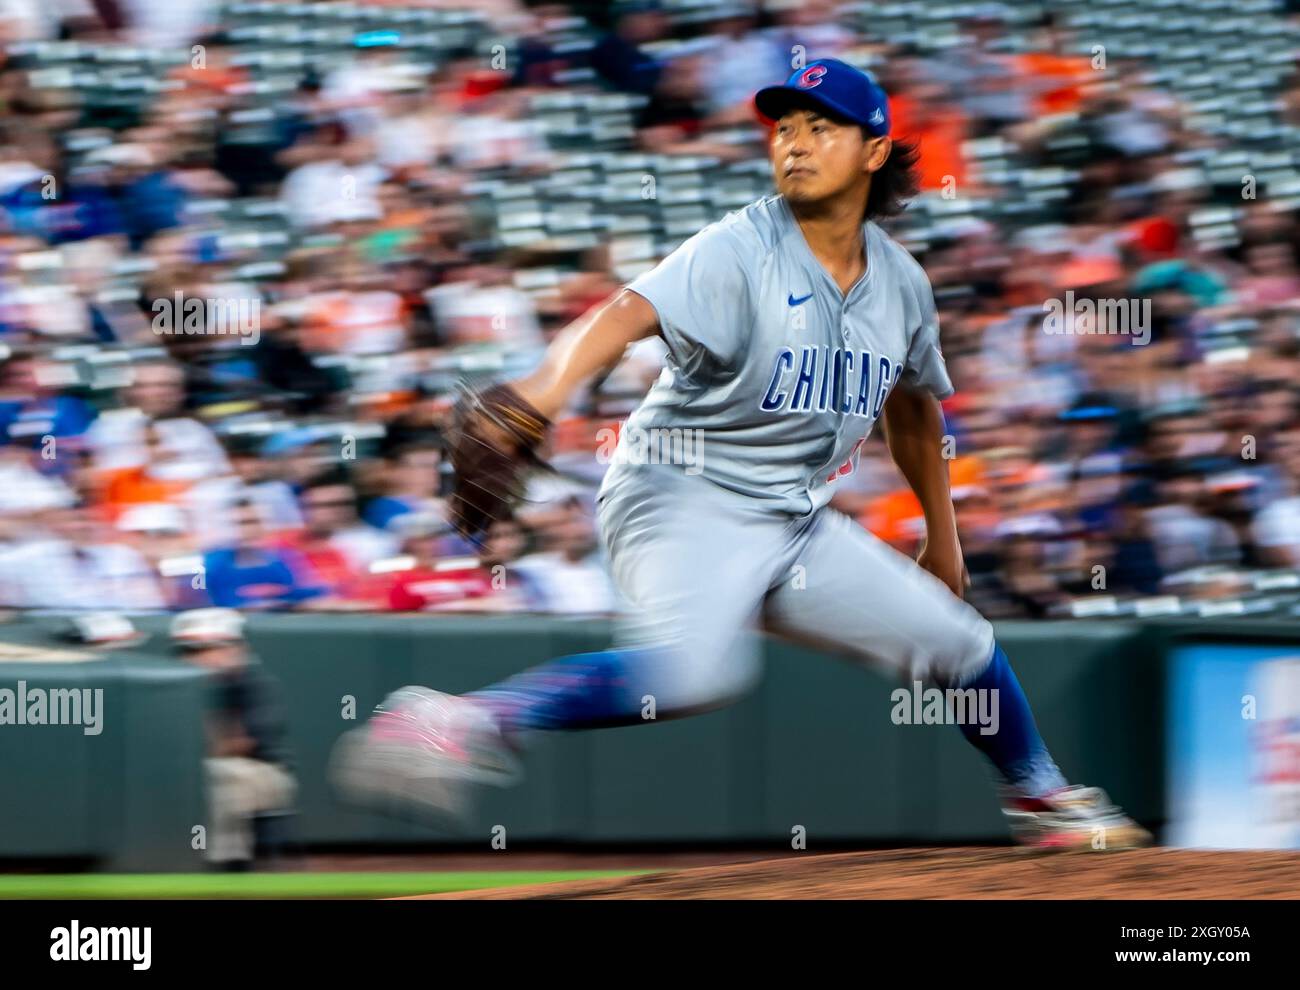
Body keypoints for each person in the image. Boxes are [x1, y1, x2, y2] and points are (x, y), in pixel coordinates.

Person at [332, 59, 1150, 850]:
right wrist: (545, 390)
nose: (792, 142)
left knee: (961, 643)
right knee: (692, 676)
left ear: (873, 152)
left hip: (792, 523)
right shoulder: (738, 248)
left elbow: (911, 410)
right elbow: (623, 316)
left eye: (819, 128)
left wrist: (944, 537)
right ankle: (458, 720)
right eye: (784, 127)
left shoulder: (903, 284)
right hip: (680, 494)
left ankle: (1044, 796)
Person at [172, 608, 296, 871]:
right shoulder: (178, 686)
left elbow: (246, 743)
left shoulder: (254, 684)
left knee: (221, 775)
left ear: (235, 648)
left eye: (209, 648)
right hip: (203, 766)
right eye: (192, 651)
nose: (201, 657)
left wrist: (210, 743)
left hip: (265, 771)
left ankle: (228, 868)